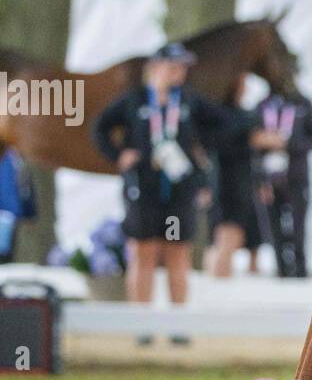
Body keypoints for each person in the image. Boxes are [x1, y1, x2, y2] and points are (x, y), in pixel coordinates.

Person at [91, 42, 227, 345]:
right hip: (143, 189)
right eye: (174, 66)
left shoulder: (189, 101)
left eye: (183, 68)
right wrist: (119, 155)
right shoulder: (134, 100)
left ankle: (178, 325)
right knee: (143, 252)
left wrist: (200, 156)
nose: (180, 73)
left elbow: (221, 124)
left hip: (179, 189)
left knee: (178, 254)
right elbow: (99, 128)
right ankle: (142, 325)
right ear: (156, 67)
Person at [252, 88, 312, 278]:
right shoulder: (261, 105)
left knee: (298, 224)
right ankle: (281, 268)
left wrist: (287, 143)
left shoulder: (303, 103)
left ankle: (300, 268)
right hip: (269, 177)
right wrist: (259, 180)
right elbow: (252, 144)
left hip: (296, 176)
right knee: (273, 225)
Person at [206, 77, 262, 278]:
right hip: (226, 183)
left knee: (231, 235)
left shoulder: (244, 113)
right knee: (228, 234)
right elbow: (221, 143)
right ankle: (218, 280)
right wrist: (249, 138)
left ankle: (220, 277)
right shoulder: (220, 114)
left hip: (241, 181)